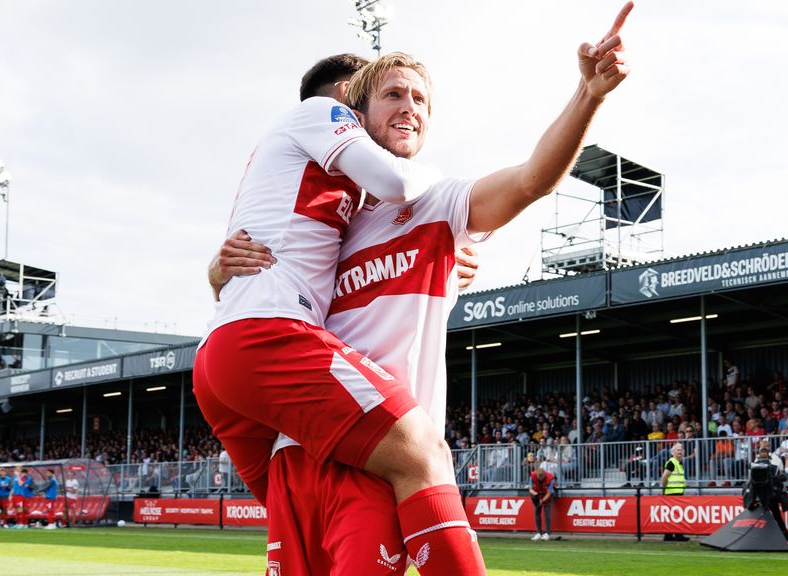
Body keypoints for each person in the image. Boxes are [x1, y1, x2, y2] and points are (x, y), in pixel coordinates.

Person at [216, 4, 633, 571]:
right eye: (393, 95)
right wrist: (216, 269)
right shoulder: (331, 216)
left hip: (379, 454)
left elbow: (532, 178)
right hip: (306, 445)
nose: (409, 107)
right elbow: (259, 292)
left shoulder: (439, 203)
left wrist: (589, 96)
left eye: (421, 100)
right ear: (355, 115)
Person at [661, 443, 689, 541]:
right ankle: (676, 535)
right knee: (675, 514)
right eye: (677, 450)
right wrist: (664, 489)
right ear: (672, 452)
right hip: (672, 493)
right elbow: (664, 476)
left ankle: (670, 535)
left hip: (677, 492)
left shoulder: (679, 463)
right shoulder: (672, 462)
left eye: (681, 449)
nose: (680, 451)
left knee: (674, 514)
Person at [529, 468, 556, 542]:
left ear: (544, 475)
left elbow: (549, 492)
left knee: (547, 514)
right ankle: (538, 533)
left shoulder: (550, 478)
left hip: (547, 495)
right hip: (537, 494)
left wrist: (543, 500)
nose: (540, 479)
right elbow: (530, 489)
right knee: (537, 513)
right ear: (537, 475)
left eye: (542, 477)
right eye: (539, 477)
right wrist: (534, 493)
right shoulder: (532, 476)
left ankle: (547, 533)